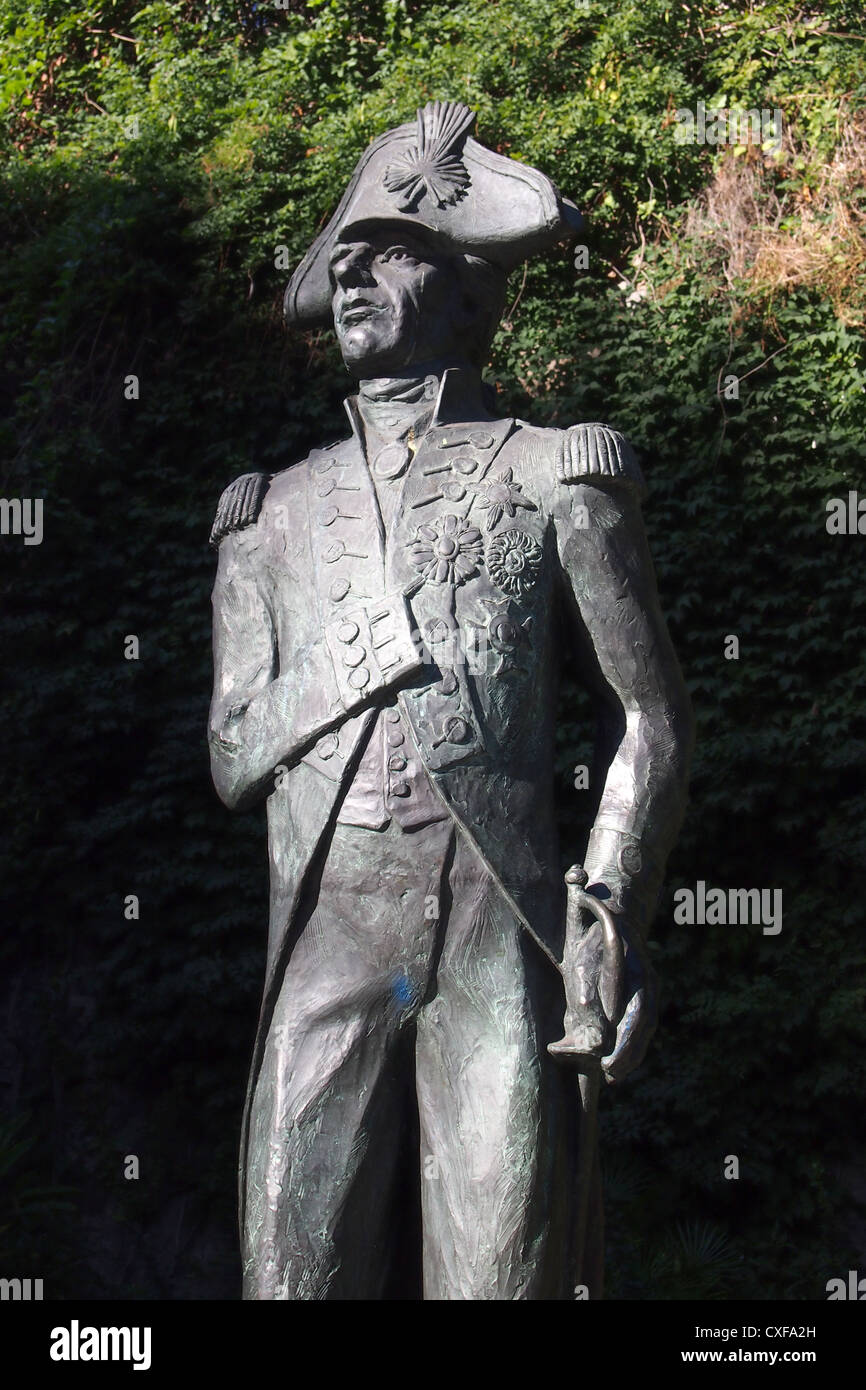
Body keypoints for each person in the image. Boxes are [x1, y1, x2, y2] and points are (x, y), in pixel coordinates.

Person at [208, 101, 693, 1300]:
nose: (356, 275)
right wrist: (362, 656)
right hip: (327, 937)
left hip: (497, 936)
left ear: (469, 289)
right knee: (290, 1278)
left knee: (500, 1280)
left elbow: (651, 718)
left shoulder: (550, 471)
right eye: (346, 260)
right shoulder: (265, 518)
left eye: (392, 252)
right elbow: (229, 754)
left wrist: (608, 916)